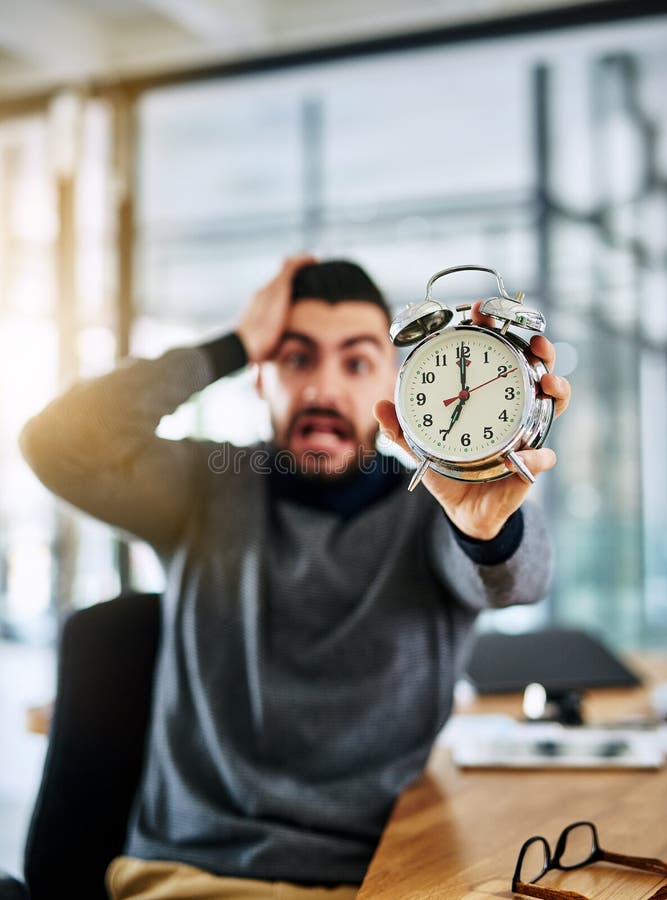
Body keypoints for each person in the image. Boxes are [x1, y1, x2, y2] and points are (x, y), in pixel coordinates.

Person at [19, 256, 570, 900]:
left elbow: (514, 580)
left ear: (396, 382)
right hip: (195, 879)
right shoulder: (201, 490)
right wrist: (233, 342)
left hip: (378, 882)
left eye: (356, 363)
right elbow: (55, 442)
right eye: (295, 359)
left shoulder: (432, 517)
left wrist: (485, 524)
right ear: (259, 377)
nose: (322, 390)